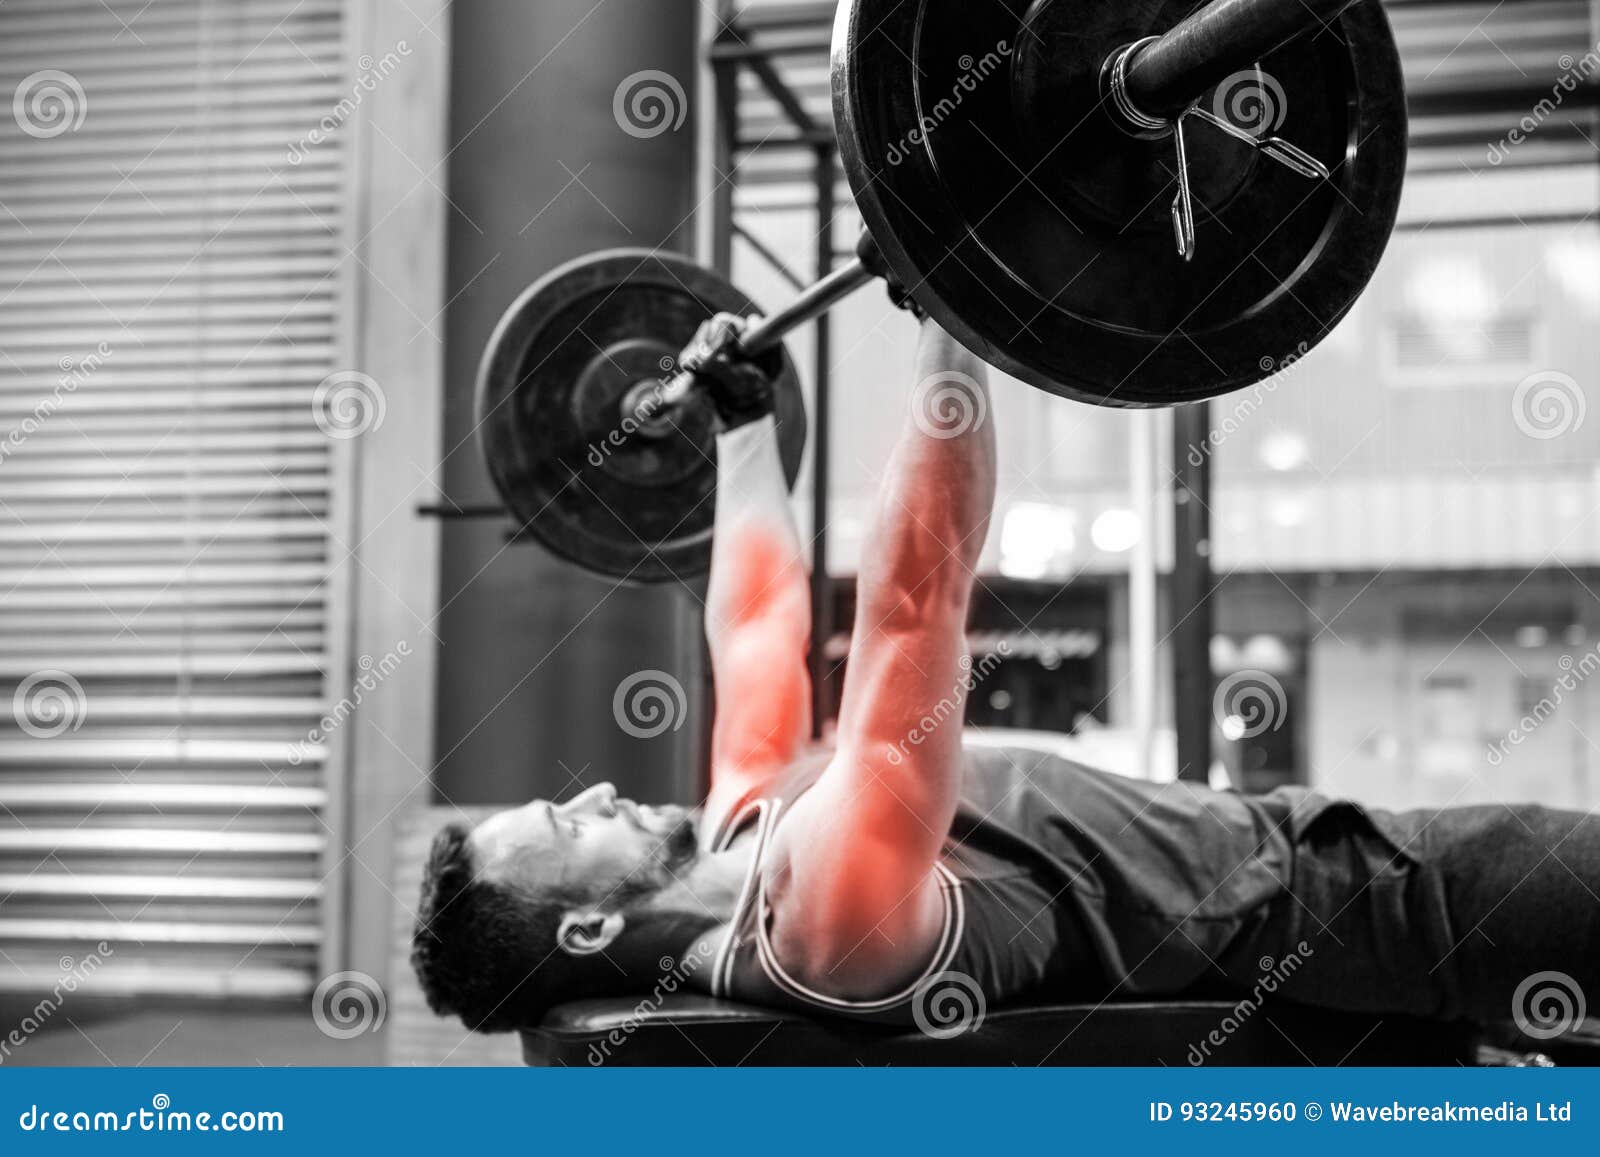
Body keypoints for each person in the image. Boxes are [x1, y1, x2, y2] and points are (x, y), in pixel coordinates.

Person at [412, 305, 1600, 1040]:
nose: (593, 792)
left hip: (1336, 858)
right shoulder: (819, 927)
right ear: (580, 926)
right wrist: (956, 313)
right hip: (1361, 910)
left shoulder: (741, 835)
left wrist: (740, 426)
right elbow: (911, 602)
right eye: (568, 826)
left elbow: (764, 625)